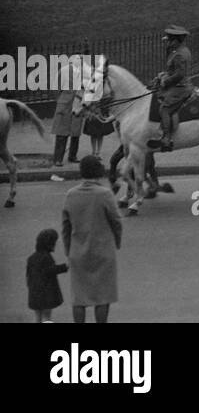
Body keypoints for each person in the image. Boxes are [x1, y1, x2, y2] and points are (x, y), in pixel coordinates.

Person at [61, 155, 122, 324]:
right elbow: (117, 221)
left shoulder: (71, 195)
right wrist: (117, 242)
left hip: (78, 251)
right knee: (103, 297)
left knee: (79, 297)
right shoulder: (105, 194)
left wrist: (68, 250)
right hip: (103, 252)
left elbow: (65, 226)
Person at [151, 24, 193, 152]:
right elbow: (173, 70)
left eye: (169, 40)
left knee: (165, 108)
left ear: (175, 40)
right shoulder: (179, 51)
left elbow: (180, 74)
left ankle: (166, 138)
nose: (167, 42)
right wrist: (162, 75)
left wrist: (166, 81)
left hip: (180, 88)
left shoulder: (180, 54)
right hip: (176, 85)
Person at [27, 227, 68, 323]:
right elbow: (51, 270)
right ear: (50, 244)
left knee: (37, 316)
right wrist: (66, 266)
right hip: (46, 293)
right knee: (47, 317)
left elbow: (28, 276)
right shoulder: (46, 257)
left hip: (34, 293)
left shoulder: (31, 258)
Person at [51, 86, 83, 173]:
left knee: (75, 133)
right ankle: (58, 158)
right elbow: (55, 88)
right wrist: (60, 100)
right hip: (65, 104)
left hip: (77, 103)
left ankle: (72, 156)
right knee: (61, 133)